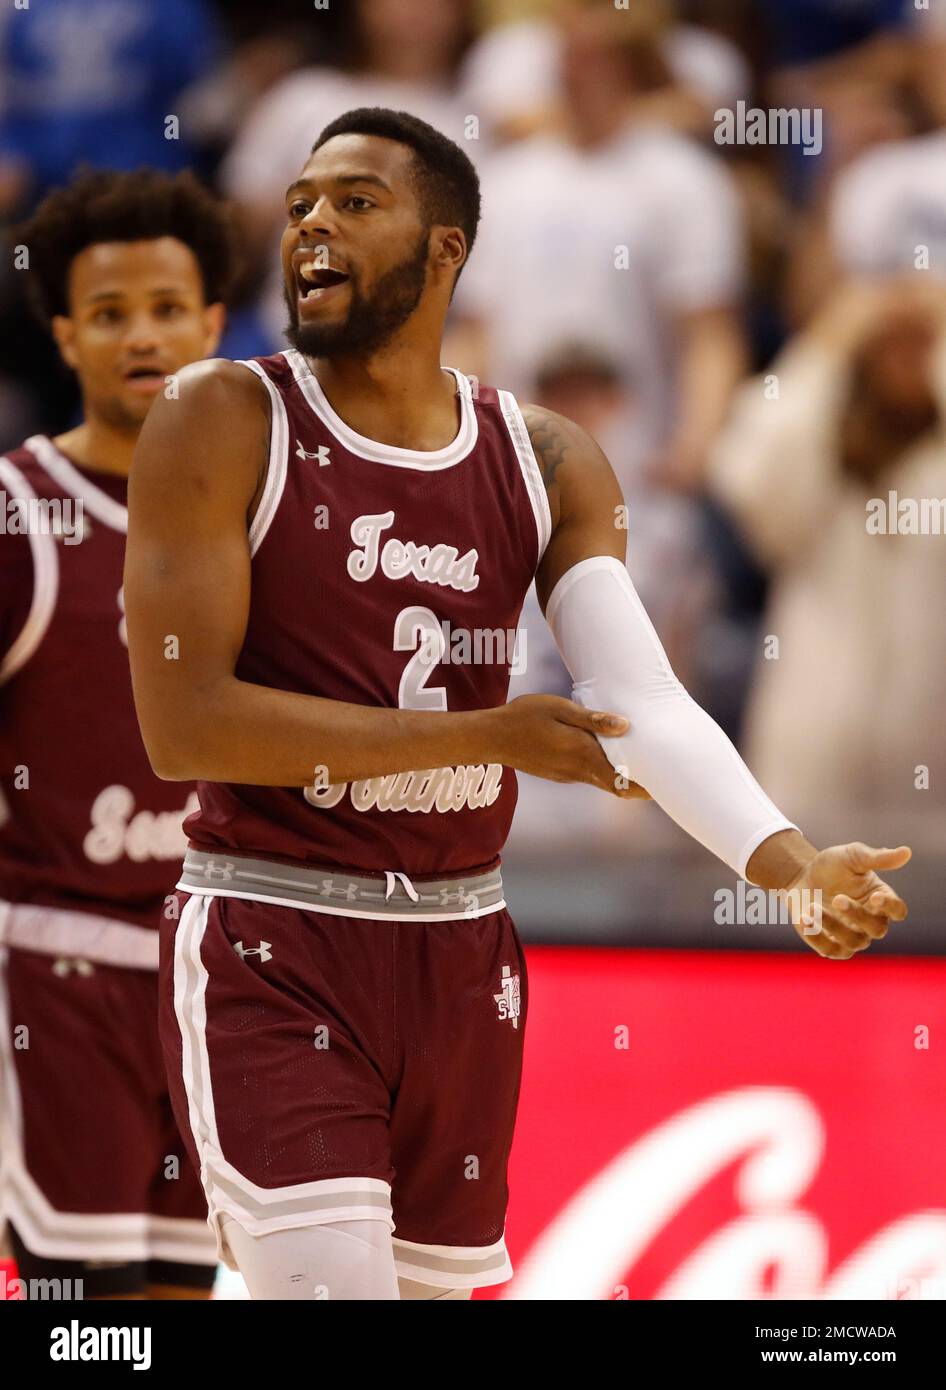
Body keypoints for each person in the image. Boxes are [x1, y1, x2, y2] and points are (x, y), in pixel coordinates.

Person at [124, 108, 912, 1302]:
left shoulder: (542, 455)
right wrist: (483, 737)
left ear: (446, 251)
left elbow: (637, 697)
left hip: (462, 956)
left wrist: (789, 865)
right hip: (275, 935)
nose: (312, 227)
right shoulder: (223, 417)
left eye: (354, 202)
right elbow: (187, 725)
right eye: (298, 207)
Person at [0, 166, 237, 1299]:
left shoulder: (263, 512)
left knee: (176, 1304)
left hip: (215, 980)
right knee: (80, 1315)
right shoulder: (18, 514)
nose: (141, 337)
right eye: (109, 315)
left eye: (164, 309)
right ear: (65, 337)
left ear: (213, 323)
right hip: (53, 966)